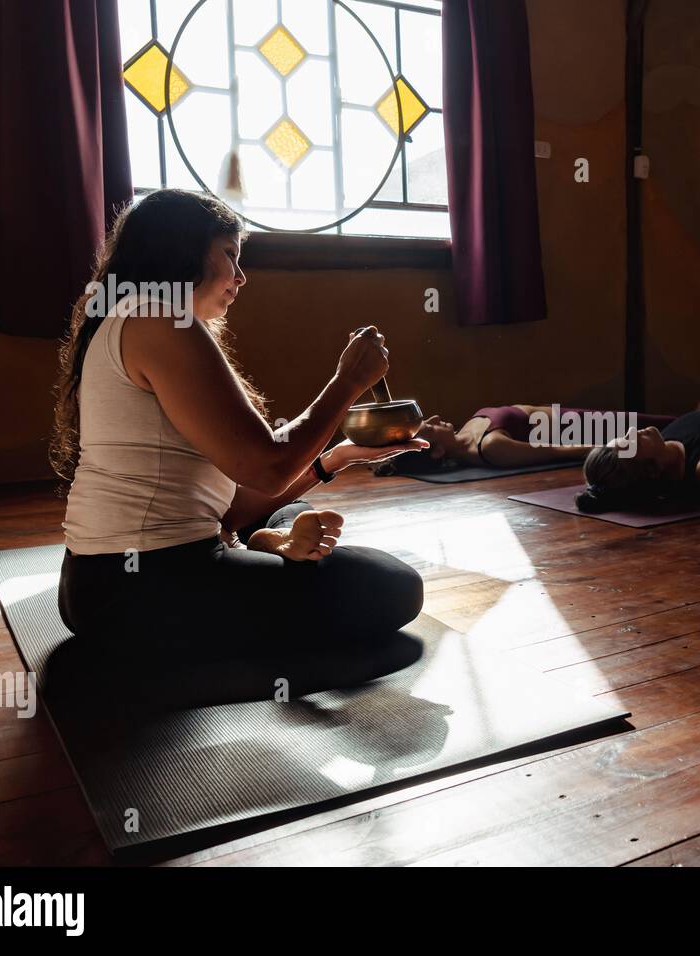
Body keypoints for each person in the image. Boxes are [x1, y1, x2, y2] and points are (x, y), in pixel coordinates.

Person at [50, 188, 427, 710]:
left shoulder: (139, 317)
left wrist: (336, 457)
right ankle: (269, 545)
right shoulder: (159, 320)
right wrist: (348, 383)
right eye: (230, 254)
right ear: (183, 250)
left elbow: (234, 502)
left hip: (102, 588)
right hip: (140, 598)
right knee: (392, 585)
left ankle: (270, 542)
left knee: (293, 509)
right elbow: (266, 466)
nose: (240, 277)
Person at [411, 406, 679, 469]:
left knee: (670, 425)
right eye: (430, 428)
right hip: (583, 429)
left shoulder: (466, 431)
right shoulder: (492, 448)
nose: (434, 419)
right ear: (436, 452)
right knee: (673, 429)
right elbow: (558, 451)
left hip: (570, 416)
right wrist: (612, 448)